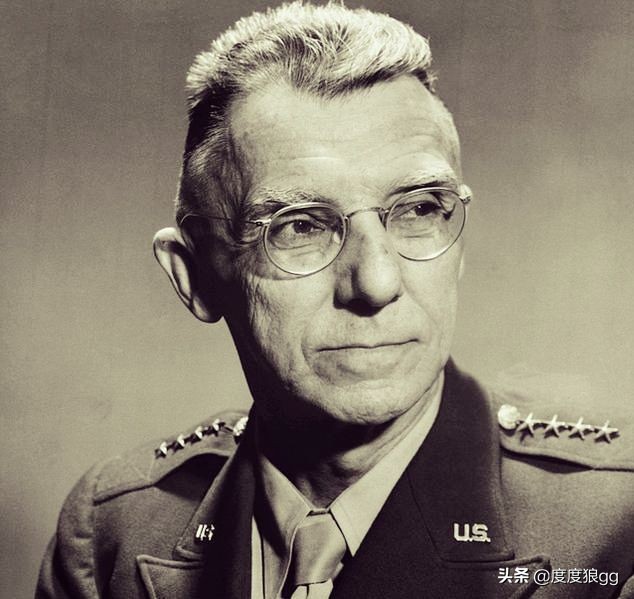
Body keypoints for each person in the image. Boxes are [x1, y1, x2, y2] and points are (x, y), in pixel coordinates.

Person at [36, 3, 633, 598]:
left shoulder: (617, 531)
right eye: (300, 226)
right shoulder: (112, 531)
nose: (376, 282)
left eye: (419, 210)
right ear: (195, 276)